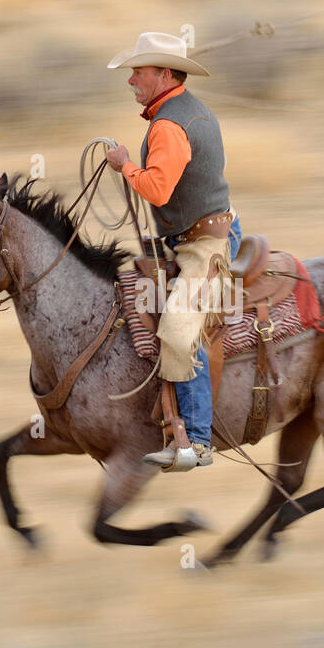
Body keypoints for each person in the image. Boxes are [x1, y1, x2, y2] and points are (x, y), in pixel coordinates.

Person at [105, 32, 242, 470]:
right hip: (196, 233)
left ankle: (197, 443)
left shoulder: (168, 125)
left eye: (138, 72)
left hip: (206, 245)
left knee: (180, 333)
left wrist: (125, 164)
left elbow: (159, 190)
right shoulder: (185, 111)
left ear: (164, 74)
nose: (131, 81)